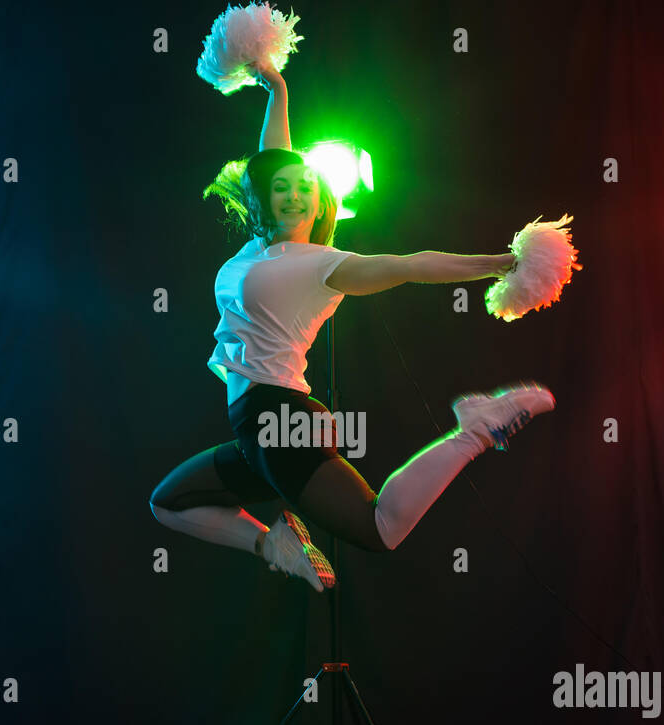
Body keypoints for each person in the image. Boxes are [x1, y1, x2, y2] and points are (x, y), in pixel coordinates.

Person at [149, 62, 555, 592]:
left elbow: (410, 264)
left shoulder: (322, 265)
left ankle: (476, 428)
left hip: (280, 419)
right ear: (264, 196)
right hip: (256, 429)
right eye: (282, 187)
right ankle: (274, 543)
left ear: (320, 200)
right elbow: (274, 154)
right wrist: (277, 86)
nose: (294, 194)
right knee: (169, 504)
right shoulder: (255, 251)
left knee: (380, 527)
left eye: (305, 188)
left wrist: (499, 262)